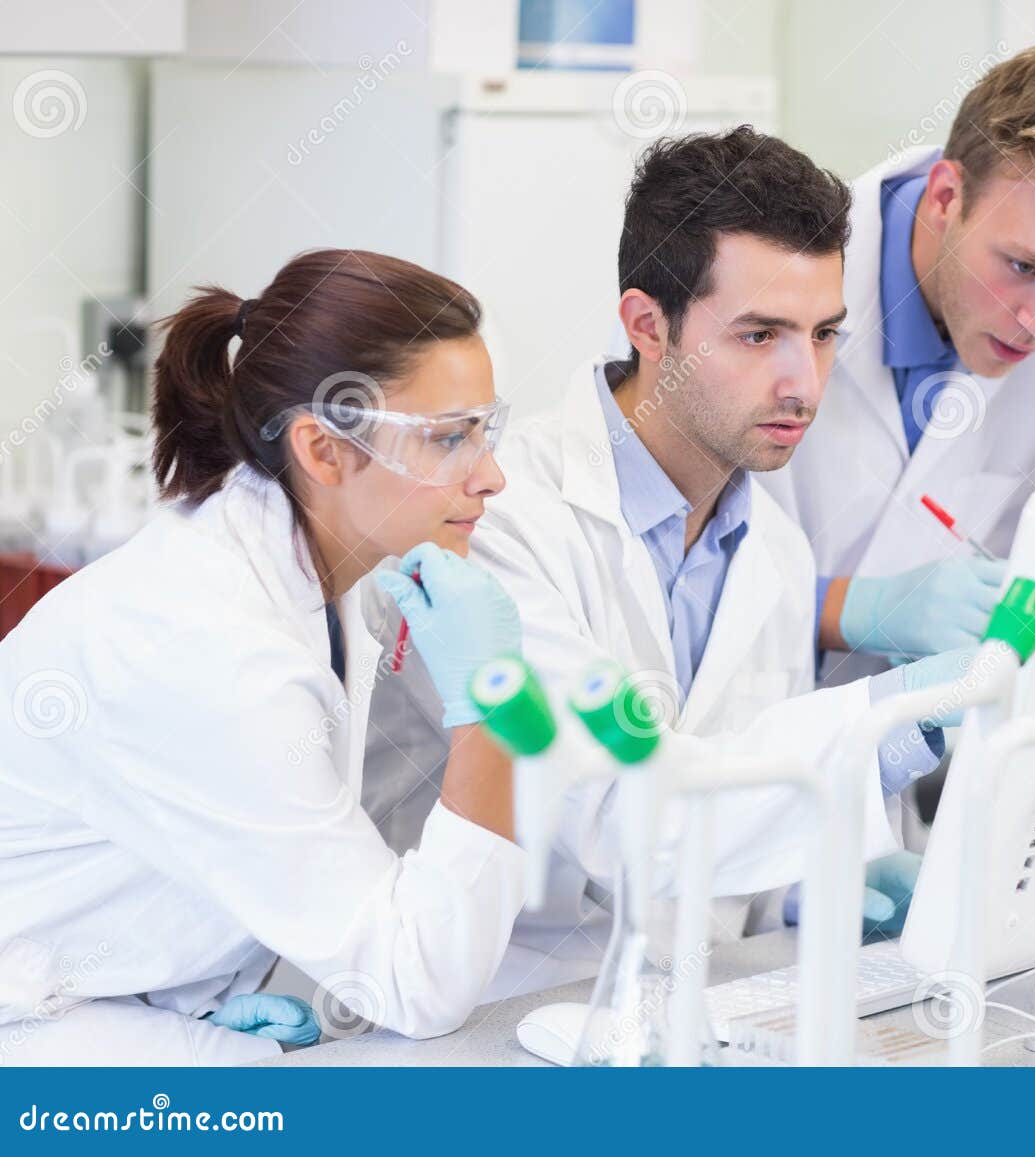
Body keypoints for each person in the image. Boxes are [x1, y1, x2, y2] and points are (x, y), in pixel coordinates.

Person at [368, 128, 971, 997]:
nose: (805, 382)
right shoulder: (500, 521)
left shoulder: (772, 546)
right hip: (494, 1008)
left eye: (826, 333)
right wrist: (880, 726)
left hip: (683, 1008)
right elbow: (620, 813)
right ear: (649, 325)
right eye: (760, 335)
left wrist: (811, 892)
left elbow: (730, 811)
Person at [0, 250, 530, 1064]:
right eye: (449, 438)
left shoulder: (323, 572)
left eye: (485, 430)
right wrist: (493, 708)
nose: (489, 475)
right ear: (323, 452)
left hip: (105, 1001)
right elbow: (420, 986)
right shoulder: (209, 642)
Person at [763, 45, 1035, 688]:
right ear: (946, 195)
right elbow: (681, 587)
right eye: (1022, 267)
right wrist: (847, 611)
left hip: (894, 760)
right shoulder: (774, 288)